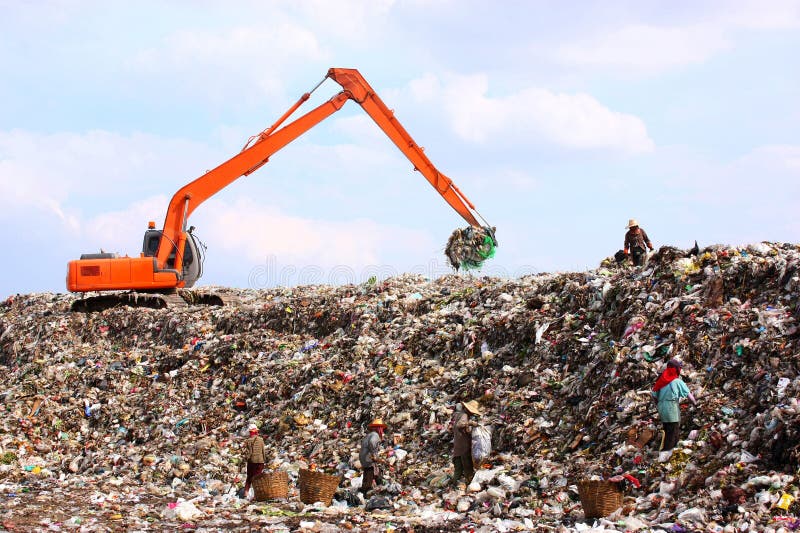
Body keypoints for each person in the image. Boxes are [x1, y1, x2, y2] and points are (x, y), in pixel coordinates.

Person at [651, 359, 697, 460]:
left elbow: (654, 395)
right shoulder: (677, 381)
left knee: (668, 429)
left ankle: (669, 450)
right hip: (671, 406)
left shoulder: (661, 380)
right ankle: (667, 454)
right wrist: (695, 404)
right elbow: (689, 396)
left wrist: (658, 405)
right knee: (673, 430)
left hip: (661, 406)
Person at [452, 400, 482, 488]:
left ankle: (454, 487)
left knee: (458, 470)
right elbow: (459, 425)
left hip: (458, 447)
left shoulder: (458, 415)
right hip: (464, 448)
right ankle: (469, 486)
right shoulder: (464, 415)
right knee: (468, 469)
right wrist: (471, 423)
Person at [359, 418, 387, 496]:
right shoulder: (375, 435)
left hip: (363, 455)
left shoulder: (370, 434)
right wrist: (374, 454)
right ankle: (365, 491)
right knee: (369, 472)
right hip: (367, 457)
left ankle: (369, 488)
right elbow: (372, 443)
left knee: (369, 472)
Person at [241, 423, 266, 498]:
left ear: (250, 432)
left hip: (252, 462)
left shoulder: (248, 441)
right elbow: (263, 452)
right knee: (258, 478)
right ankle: (256, 495)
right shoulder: (261, 440)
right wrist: (264, 460)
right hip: (260, 461)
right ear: (256, 432)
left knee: (249, 477)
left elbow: (249, 452)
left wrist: (245, 459)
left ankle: (246, 493)